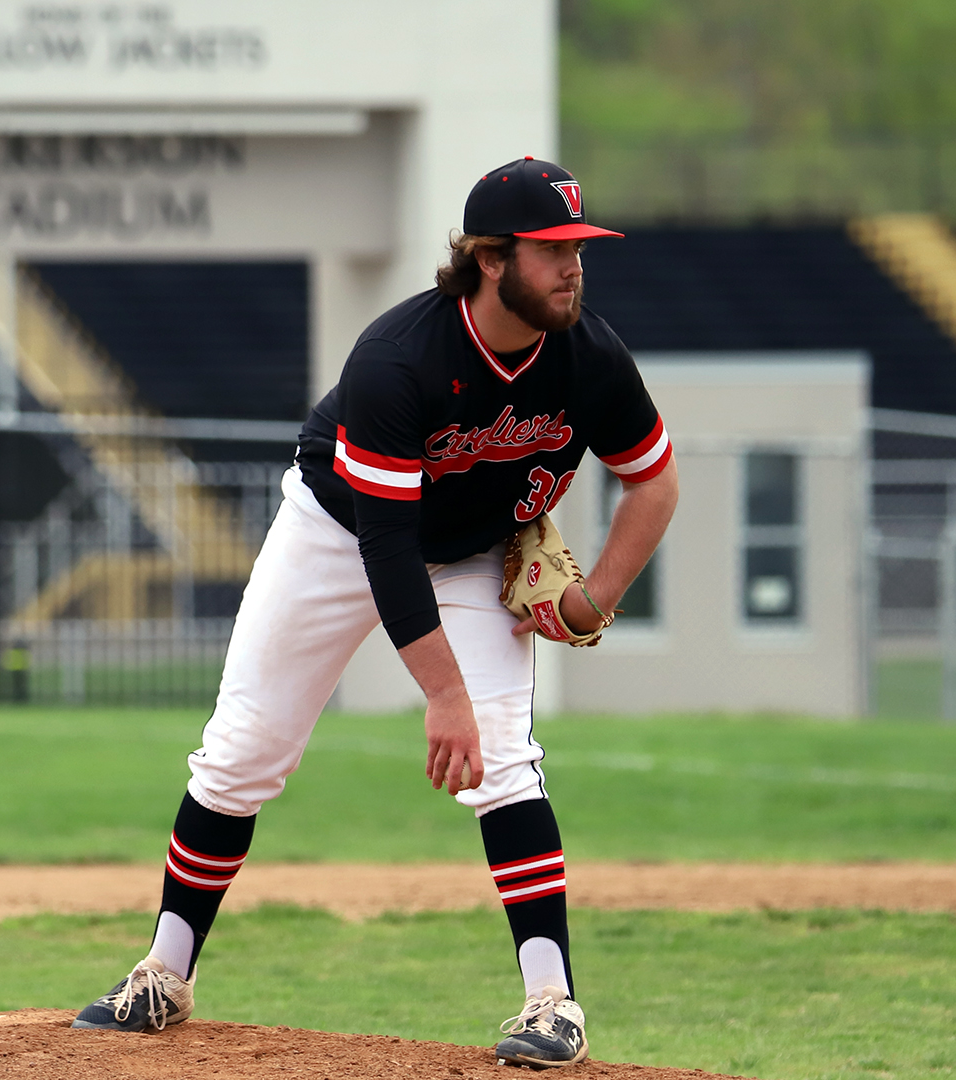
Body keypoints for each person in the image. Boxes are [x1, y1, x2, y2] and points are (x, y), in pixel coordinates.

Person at [69, 156, 679, 1070]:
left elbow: (655, 481)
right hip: (337, 525)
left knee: (506, 760)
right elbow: (386, 551)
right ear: (488, 258)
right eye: (551, 249)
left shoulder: (589, 354)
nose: (573, 267)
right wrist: (442, 694)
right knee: (242, 750)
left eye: (578, 248)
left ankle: (553, 1005)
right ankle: (163, 974)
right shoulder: (399, 359)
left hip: (474, 553)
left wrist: (597, 595)